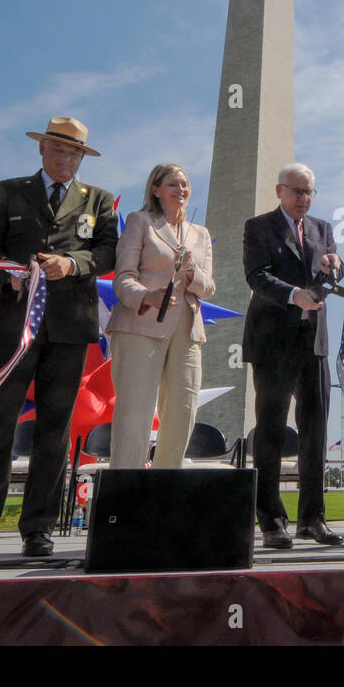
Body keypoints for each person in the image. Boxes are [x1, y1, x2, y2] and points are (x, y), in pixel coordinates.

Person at [0, 117, 117, 557]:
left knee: (55, 430)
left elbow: (106, 251)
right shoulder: (6, 190)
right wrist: (10, 277)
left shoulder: (96, 200)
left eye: (74, 152)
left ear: (82, 156)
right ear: (42, 150)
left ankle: (37, 527)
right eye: (58, 149)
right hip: (10, 326)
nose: (66, 158)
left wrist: (72, 264)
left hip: (70, 328)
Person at [243, 163, 344, 549]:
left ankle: (312, 519)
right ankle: (270, 519)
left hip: (313, 341)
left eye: (309, 193)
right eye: (297, 192)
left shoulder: (322, 229)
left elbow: (332, 270)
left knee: (316, 431)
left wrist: (335, 264)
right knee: (270, 431)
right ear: (279, 191)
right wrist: (293, 294)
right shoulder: (259, 227)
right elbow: (256, 275)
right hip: (272, 340)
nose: (304, 199)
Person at [107, 164, 216, 469]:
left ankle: (166, 492)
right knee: (135, 415)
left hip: (187, 331)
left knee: (183, 413)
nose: (181, 190)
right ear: (155, 190)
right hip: (141, 325)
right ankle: (125, 493)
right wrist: (147, 296)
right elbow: (123, 278)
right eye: (172, 185)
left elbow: (209, 286)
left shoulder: (201, 233)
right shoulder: (140, 222)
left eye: (185, 184)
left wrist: (193, 275)